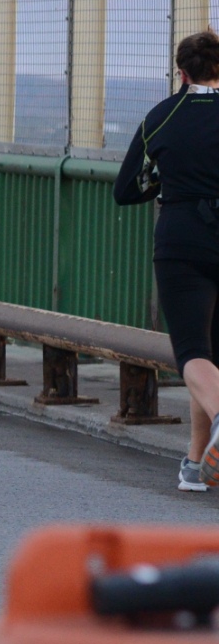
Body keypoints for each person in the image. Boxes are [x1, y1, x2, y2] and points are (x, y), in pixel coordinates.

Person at [114, 27, 219, 492]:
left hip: (182, 238)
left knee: (194, 351)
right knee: (213, 358)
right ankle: (195, 463)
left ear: (181, 72)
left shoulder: (160, 116)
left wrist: (162, 183)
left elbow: (127, 189)